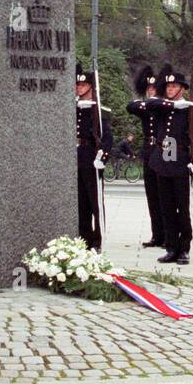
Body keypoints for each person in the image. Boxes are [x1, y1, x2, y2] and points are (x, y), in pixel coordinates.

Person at [149, 66, 193, 265]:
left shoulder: (192, 111)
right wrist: (171, 105)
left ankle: (184, 248)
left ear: (182, 89)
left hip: (181, 160)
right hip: (162, 160)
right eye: (168, 86)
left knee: (182, 207)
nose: (170, 90)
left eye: (174, 86)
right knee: (165, 207)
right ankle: (171, 246)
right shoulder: (161, 107)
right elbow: (149, 104)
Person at [126, 65, 166, 248]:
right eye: (149, 88)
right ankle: (157, 234)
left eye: (155, 88)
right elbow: (131, 106)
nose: (152, 91)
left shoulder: (164, 106)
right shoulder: (145, 106)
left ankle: (168, 235)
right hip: (149, 151)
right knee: (152, 196)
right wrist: (146, 102)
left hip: (163, 151)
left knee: (163, 195)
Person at [75, 64, 113, 250]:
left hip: (92, 158)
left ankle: (98, 240)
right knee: (81, 203)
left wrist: (102, 158)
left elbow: (108, 138)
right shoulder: (74, 108)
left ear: (91, 87)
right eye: (77, 85)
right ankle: (84, 238)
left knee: (95, 202)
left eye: (83, 85)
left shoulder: (98, 110)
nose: (79, 88)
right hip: (77, 157)